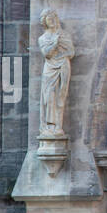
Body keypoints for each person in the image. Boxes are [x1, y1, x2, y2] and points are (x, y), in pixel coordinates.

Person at [38, 9, 75, 139]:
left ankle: (58, 126)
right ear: (45, 22)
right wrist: (55, 43)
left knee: (61, 95)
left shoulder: (64, 35)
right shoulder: (43, 38)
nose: (52, 20)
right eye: (49, 19)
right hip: (50, 68)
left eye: (54, 18)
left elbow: (71, 52)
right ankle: (49, 126)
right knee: (49, 96)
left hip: (63, 66)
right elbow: (46, 53)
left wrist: (61, 53)